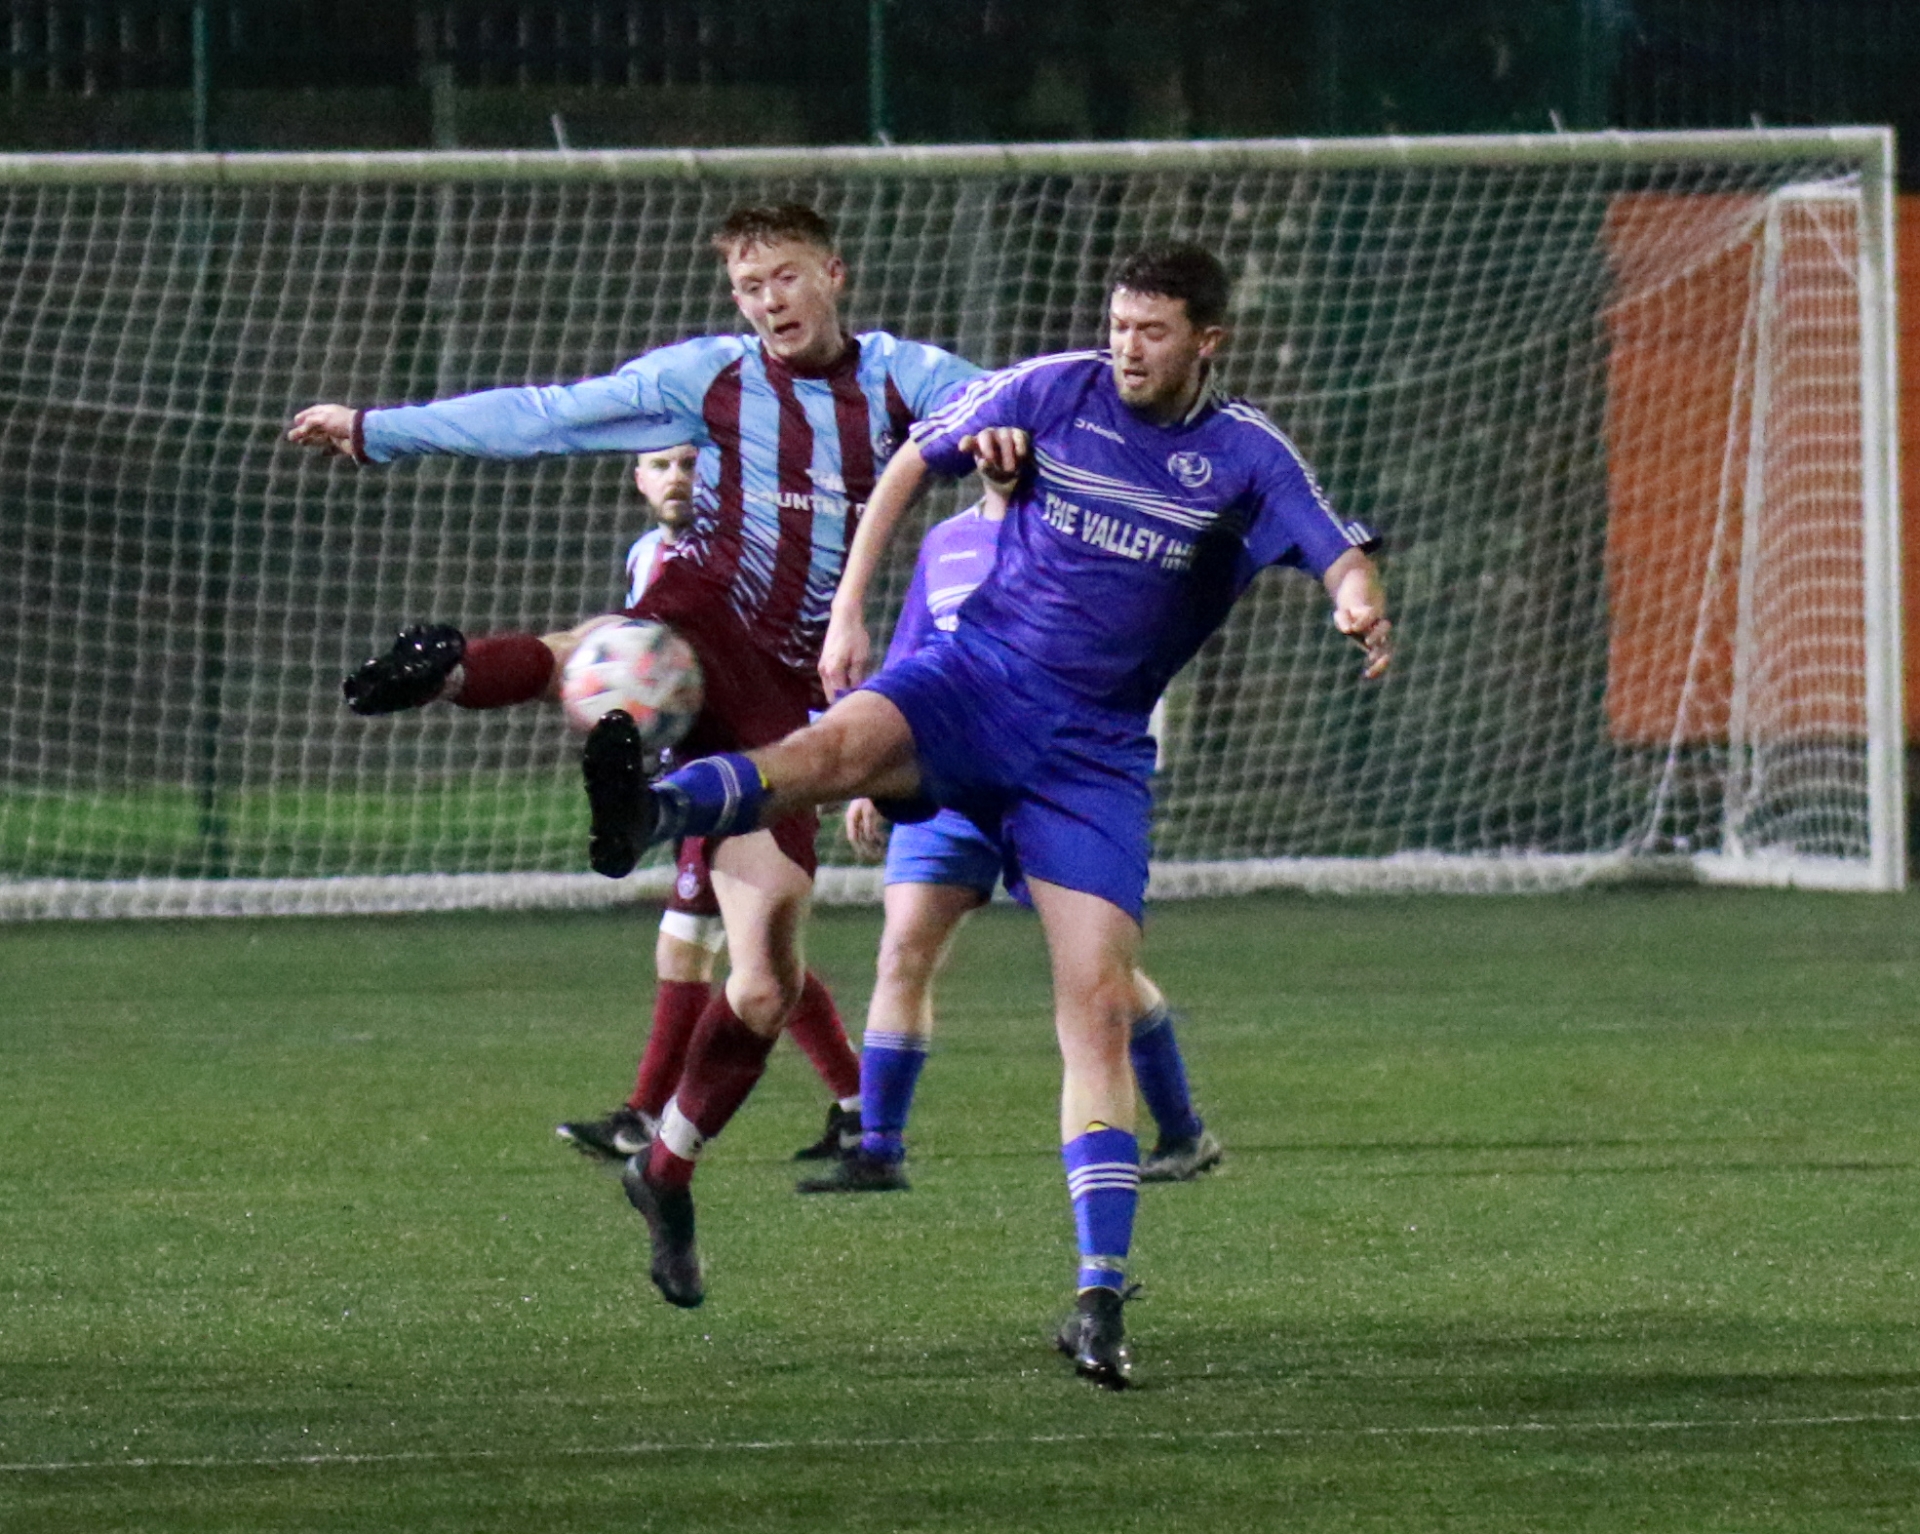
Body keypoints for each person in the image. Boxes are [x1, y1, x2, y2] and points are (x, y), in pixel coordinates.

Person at [581, 242, 1393, 1389]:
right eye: (1118, 324)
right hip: (972, 685)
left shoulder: (1246, 454)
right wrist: (851, 609)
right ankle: (648, 810)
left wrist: (1359, 604)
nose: (1126, 348)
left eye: (1153, 332)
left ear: (1208, 341)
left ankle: (1099, 1296)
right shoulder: (1054, 386)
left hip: (1090, 757)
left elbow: (1334, 547)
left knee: (1098, 1002)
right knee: (829, 755)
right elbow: (914, 460)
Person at [286, 202, 983, 1221]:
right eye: (749, 288)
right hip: (707, 614)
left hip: (784, 698)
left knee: (765, 984)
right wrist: (378, 432)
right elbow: (547, 414)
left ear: (834, 274)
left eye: (786, 278)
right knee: (616, 655)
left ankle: (665, 1162)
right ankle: (450, 670)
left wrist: (1020, 432)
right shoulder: (709, 375)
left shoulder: (905, 378)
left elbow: (1007, 406)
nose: (769, 302)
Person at [798, 476, 1222, 1195]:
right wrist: (874, 771)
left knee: (1102, 977)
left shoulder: (1083, 534)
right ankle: (878, 1149)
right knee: (902, 950)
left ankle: (1183, 1130)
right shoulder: (946, 541)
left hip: (1044, 786)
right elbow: (910, 656)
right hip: (947, 785)